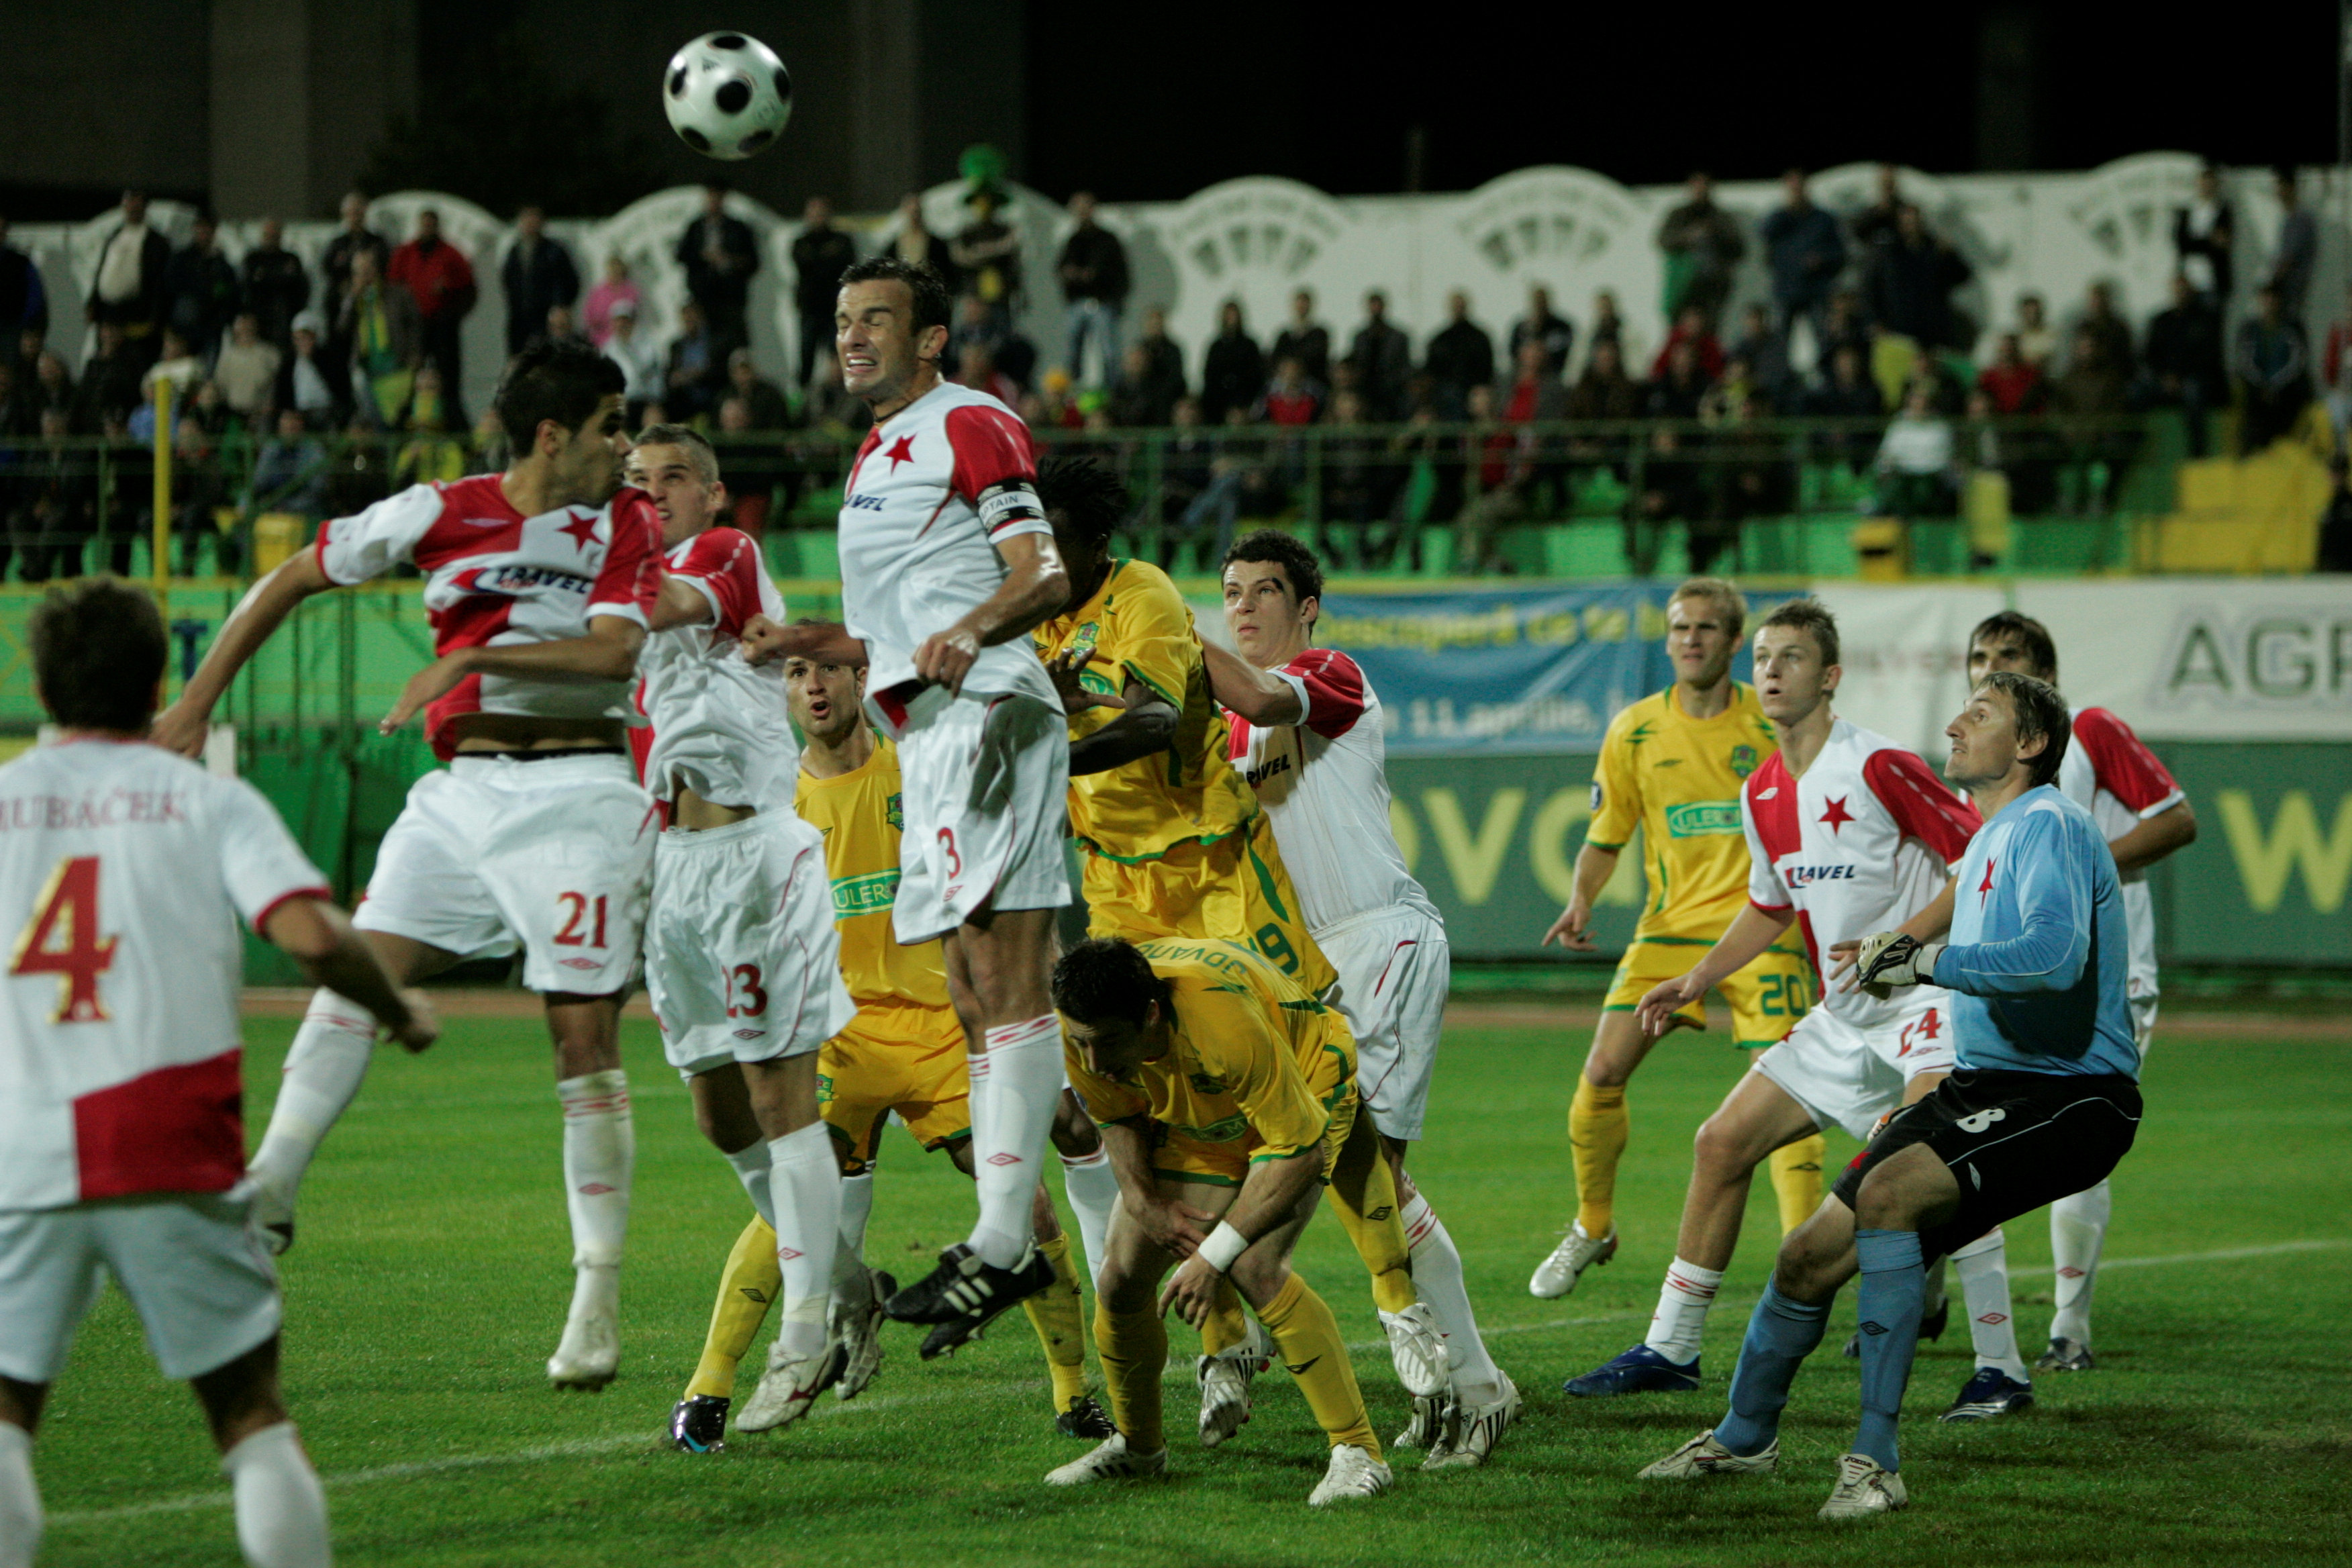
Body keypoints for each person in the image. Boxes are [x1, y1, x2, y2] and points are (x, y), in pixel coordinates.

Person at [150, 340, 663, 1390]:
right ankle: (272, 1188)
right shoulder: (439, 511)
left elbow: (615, 656)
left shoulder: (627, 523)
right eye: (612, 426)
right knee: (355, 968)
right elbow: (290, 576)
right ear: (552, 436)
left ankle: (596, 1299)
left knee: (581, 1035)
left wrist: (471, 658)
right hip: (460, 798)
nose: (627, 446)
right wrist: (195, 703)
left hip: (577, 796)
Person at [0, 578, 438, 1568]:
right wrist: (397, 1009)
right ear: (159, 678)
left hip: (19, 1146)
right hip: (166, 1141)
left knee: (7, 1417)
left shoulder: (5, 799)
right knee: (248, 1415)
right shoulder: (206, 800)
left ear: (41, 682)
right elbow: (310, 934)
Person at [1645, 670, 2142, 1520]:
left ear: (2028, 744)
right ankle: (1742, 1435)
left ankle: (1874, 1459)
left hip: (2070, 1093)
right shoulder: (1990, 837)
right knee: (1807, 1253)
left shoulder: (2051, 824)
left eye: (1980, 714)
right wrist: (1906, 948)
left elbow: (2054, 959)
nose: (1954, 724)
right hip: (1989, 1084)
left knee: (1884, 1197)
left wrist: (1923, 958)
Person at [667, 646, 1114, 1454]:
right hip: (835, 1033)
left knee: (1023, 1207)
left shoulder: (918, 767)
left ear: (861, 677)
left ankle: (1075, 1393)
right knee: (789, 1206)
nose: (815, 685)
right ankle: (708, 1389)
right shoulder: (774, 798)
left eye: (831, 668)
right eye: (799, 672)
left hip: (943, 1027)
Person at [1561, 599, 1981, 1400]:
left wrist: (1905, 944)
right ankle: (1672, 1349)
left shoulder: (1879, 763)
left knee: (1912, 1172)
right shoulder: (1762, 789)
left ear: (1829, 677)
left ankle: (1995, 1363)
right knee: (1720, 1143)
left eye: (1790, 658)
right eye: (1763, 659)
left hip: (1925, 1003)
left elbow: (1977, 855)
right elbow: (1772, 903)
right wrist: (1699, 978)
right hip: (1845, 1015)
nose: (1772, 672)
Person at [801, 254, 1072, 1347]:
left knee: (1003, 976)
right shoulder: (876, 453)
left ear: (929, 339)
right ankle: (1010, 1231)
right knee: (966, 983)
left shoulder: (970, 422)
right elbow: (899, 612)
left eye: (877, 319)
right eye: (840, 321)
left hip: (987, 706)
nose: (853, 336)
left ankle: (1004, 1240)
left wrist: (974, 630)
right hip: (928, 727)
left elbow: (1040, 571)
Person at [1202, 529, 1518, 1467]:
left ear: (1306, 608)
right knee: (1364, 1180)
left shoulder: (1328, 673)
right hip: (1304, 974)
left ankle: (1456, 1383)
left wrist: (1169, 643)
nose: (1246, 606)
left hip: (1381, 939)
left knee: (1352, 1176)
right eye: (1230, 593)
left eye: (1265, 590)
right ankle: (1469, 1385)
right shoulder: (1228, 733)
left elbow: (1258, 691)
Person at [1527, 577, 1823, 1300]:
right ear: (1669, 639)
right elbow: (1607, 834)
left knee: (1788, 1085)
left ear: (1732, 642)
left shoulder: (1772, 719)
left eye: (1708, 628)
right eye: (1680, 627)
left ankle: (1806, 1254)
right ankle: (1593, 1225)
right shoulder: (1634, 729)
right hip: (1669, 929)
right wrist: (1580, 899)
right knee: (1601, 1070)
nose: (1691, 639)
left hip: (1765, 923)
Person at [1046, 936, 1397, 1506]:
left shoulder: (1222, 1024)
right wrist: (1144, 1204)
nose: (1092, 1061)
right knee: (1120, 1277)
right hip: (1201, 1101)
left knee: (1256, 1265)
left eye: (1107, 1042)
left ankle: (1360, 1453)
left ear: (1152, 1014)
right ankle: (1139, 1451)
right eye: (1081, 1044)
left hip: (1305, 1077)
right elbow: (1116, 1115)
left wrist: (1211, 1257)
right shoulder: (1081, 1029)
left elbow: (1299, 1152)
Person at [1964, 614, 2194, 1371]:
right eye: (1979, 657)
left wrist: (2084, 861)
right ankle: (1935, 1284)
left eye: (2009, 658)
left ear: (2047, 677)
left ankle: (2069, 1326)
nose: (1988, 668)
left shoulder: (2092, 730)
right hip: (2012, 983)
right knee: (1951, 1126)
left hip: (2105, 980)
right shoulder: (1984, 774)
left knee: (2079, 1148)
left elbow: (2176, 819)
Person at [387, 209, 476, 412]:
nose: (427, 228)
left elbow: (467, 287)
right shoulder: (405, 253)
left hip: (442, 325)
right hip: (413, 327)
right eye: (424, 224)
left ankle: (449, 417)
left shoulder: (451, 254)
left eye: (431, 224)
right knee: (411, 376)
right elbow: (393, 285)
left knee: (448, 376)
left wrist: (453, 311)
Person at [85, 191, 171, 366]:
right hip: (109, 313)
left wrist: (155, 317)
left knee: (135, 361)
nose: (132, 208)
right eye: (129, 203)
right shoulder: (115, 235)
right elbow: (103, 271)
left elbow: (159, 283)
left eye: (137, 204)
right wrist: (93, 302)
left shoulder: (156, 241)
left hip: (138, 314)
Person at [1761, 169, 1847, 342]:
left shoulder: (1823, 219)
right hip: (1787, 289)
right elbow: (1765, 235)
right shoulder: (1779, 219)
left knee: (1823, 338)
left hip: (1816, 290)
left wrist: (1822, 259)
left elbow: (1840, 253)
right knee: (1781, 341)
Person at [677, 184, 761, 358]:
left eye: (718, 199)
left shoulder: (738, 228)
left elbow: (753, 262)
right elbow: (682, 255)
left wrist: (729, 260)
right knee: (706, 345)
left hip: (731, 297)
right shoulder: (696, 228)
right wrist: (703, 256)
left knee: (734, 344)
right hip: (702, 296)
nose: (714, 203)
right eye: (711, 199)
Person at [1655, 173, 1746, 334]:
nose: (1701, 191)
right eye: (1697, 187)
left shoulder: (1720, 218)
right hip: (1682, 286)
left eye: (1705, 186)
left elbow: (1739, 250)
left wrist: (1716, 236)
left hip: (1713, 286)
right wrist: (1688, 236)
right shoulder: (1679, 215)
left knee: (1710, 333)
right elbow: (1662, 241)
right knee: (1679, 334)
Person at [1057, 192, 1130, 389]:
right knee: (1072, 351)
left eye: (1085, 208)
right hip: (1078, 303)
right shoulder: (1072, 240)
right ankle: (1071, 392)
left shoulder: (1108, 239)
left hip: (1103, 302)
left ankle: (1113, 391)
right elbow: (1060, 268)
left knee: (1109, 352)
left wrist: (1102, 283)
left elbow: (1120, 273)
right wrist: (1071, 276)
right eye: (1078, 209)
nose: (1082, 213)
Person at [786, 197, 859, 393]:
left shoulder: (842, 241)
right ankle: (803, 403)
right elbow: (805, 265)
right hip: (810, 309)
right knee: (806, 357)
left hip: (836, 309)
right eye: (814, 213)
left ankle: (843, 400)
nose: (818, 217)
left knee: (839, 357)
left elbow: (845, 266)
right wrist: (826, 259)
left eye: (821, 213)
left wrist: (818, 261)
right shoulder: (800, 243)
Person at [2232, 284, 2312, 453]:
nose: (2270, 303)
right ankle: (2253, 452)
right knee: (2253, 407)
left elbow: (2297, 363)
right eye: (2266, 299)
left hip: (2287, 389)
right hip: (2258, 389)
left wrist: (2275, 385)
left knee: (2289, 401)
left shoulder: (2293, 328)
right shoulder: (2250, 330)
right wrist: (2262, 385)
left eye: (2273, 299)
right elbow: (2245, 363)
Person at [501, 205, 579, 358]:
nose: (530, 224)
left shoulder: (554, 251)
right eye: (526, 220)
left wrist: (560, 306)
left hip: (547, 319)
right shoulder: (515, 251)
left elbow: (568, 282)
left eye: (534, 220)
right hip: (520, 318)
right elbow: (509, 282)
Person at [167, 214, 241, 362]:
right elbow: (171, 290)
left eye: (207, 230)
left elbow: (227, 294)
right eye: (200, 230)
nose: (204, 235)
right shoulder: (181, 260)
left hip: (211, 328)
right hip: (184, 329)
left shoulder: (221, 265)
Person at [239, 218, 311, 351]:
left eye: (275, 235)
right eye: (268, 235)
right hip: (259, 321)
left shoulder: (291, 259)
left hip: (286, 321)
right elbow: (247, 289)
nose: (271, 239)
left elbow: (300, 290)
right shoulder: (252, 260)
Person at [1424, 292, 1496, 419]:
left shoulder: (1479, 338)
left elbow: (1486, 369)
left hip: (1472, 391)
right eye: (1455, 306)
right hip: (1444, 393)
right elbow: (1432, 371)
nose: (1458, 310)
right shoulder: (1440, 340)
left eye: (1460, 306)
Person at [2173, 164, 2234, 305]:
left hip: (2213, 282)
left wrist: (2194, 242)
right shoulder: (2188, 211)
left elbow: (2222, 243)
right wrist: (2208, 241)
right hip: (2189, 282)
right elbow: (2181, 242)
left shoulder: (2223, 211)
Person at [1346, 291, 1412, 420]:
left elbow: (1404, 365)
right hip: (1366, 390)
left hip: (1392, 390)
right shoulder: (1361, 338)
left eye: (1378, 305)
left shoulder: (1399, 337)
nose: (1376, 309)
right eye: (1373, 305)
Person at [1201, 299, 1265, 424]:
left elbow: (1255, 377)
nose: (1231, 319)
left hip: (1244, 406)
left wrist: (1242, 404)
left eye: (1234, 315)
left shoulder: (1249, 346)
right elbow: (1210, 377)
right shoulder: (1216, 347)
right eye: (1228, 315)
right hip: (1219, 407)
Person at [2267, 166, 2316, 320]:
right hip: (2286, 291)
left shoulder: (2300, 220)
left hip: (2291, 290)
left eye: (2281, 186)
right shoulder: (2288, 218)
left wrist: (2273, 282)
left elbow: (2289, 257)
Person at [1509, 285, 1575, 379]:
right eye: (1536, 301)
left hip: (1552, 377)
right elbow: (1513, 353)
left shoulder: (1561, 327)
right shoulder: (1521, 328)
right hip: (1525, 378)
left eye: (1541, 301)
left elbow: (1564, 355)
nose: (1539, 304)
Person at [1271, 289, 1332, 387]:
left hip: (1312, 382)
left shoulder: (1319, 334)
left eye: (1305, 303)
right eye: (1299, 303)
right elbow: (1276, 359)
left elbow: (1318, 358)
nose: (1302, 307)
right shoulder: (1284, 336)